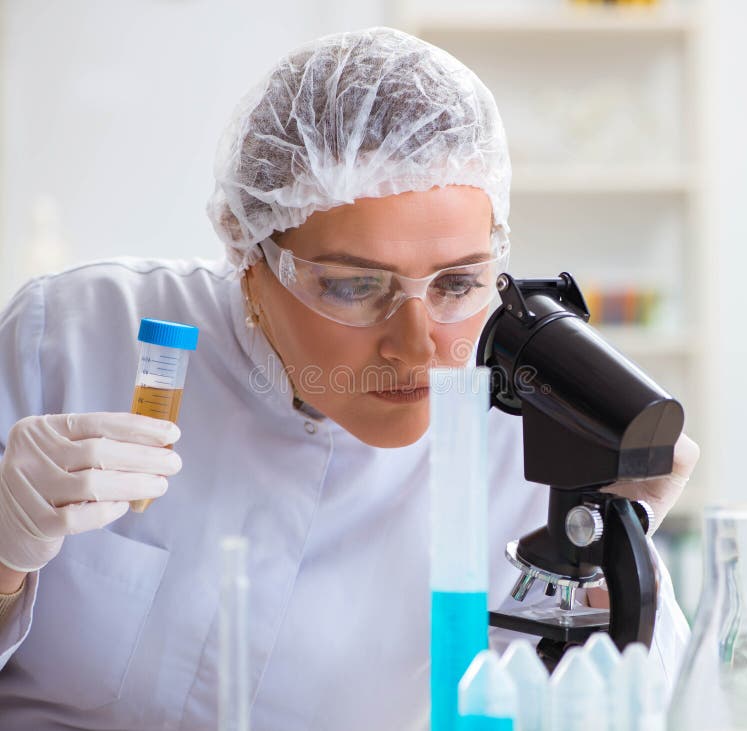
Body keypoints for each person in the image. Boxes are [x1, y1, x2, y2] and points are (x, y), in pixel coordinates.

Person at [0, 27, 699, 731]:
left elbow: (643, 703)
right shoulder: (73, 337)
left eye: (457, 283)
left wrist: (613, 567)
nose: (417, 347)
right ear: (249, 258)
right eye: (356, 286)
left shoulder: (519, 444)